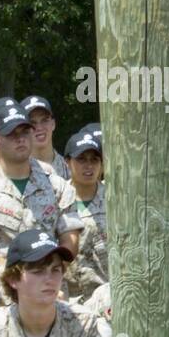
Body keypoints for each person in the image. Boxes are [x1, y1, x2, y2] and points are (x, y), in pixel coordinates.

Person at [0, 97, 82, 268]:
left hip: (48, 287)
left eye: (25, 131)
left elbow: (70, 238)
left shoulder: (57, 186)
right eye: (11, 133)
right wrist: (15, 274)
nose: (20, 138)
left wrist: (47, 269)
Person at [58, 128, 108, 304]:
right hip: (66, 299)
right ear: (67, 162)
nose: (89, 166)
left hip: (107, 298)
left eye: (94, 160)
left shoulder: (115, 199)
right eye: (81, 159)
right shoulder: (55, 198)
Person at [20, 95, 70, 180]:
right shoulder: (16, 170)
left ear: (53, 124)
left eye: (44, 120)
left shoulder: (70, 169)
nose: (39, 127)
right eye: (32, 123)